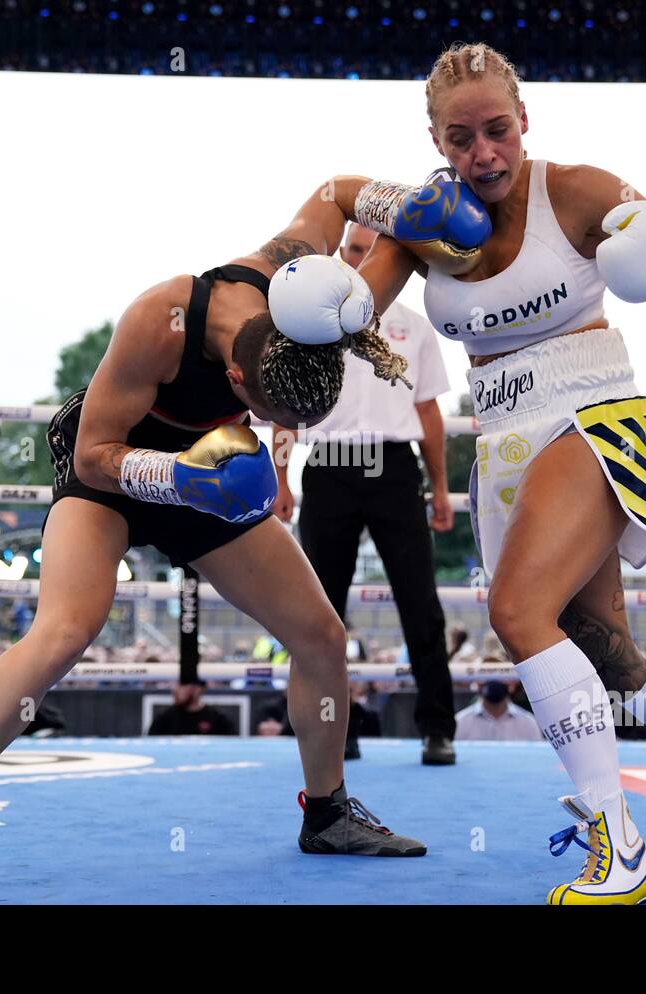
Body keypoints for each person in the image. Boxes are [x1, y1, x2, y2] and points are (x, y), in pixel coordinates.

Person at [0, 172, 486, 900]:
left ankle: (327, 813)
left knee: (322, 637)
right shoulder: (160, 317)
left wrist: (412, 208)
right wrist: (180, 478)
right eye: (263, 412)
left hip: (210, 464)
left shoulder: (302, 291)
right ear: (235, 375)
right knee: (65, 630)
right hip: (110, 469)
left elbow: (336, 193)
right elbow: (95, 456)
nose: (269, 427)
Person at [348, 42, 646, 903]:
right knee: (609, 657)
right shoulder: (425, 222)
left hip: (590, 417)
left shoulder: (575, 190)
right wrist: (322, 276)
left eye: (497, 129)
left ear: (524, 120)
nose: (483, 153)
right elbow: (352, 311)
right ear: (436, 141)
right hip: (502, 441)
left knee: (518, 614)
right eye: (461, 138)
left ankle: (620, 846)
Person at [273, 221, 458, 766]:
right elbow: (285, 404)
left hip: (394, 468)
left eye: (372, 251)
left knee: (419, 601)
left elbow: (428, 411)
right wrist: (280, 478)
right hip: (328, 466)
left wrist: (440, 487)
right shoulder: (308, 323)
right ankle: (334, 731)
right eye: (354, 249)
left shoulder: (414, 327)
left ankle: (438, 729)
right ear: (340, 254)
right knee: (321, 607)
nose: (362, 260)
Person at [454, 680, 541, 741]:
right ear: (477, 681)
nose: (494, 679)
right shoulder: (460, 722)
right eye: (486, 674)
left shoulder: (529, 723)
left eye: (500, 674)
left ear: (512, 683)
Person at [148, 682, 236, 735]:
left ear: (197, 689)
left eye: (182, 685)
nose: (175, 689)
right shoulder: (163, 719)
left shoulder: (219, 720)